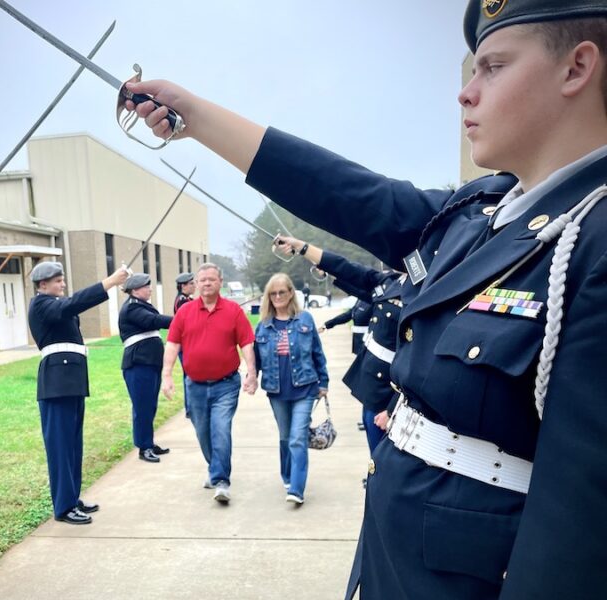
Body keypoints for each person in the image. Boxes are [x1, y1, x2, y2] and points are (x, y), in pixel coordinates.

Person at [127, 3, 607, 596]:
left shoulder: (593, 236)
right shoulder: (482, 209)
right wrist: (194, 117)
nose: (466, 93)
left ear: (576, 67)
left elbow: (583, 514)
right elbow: (346, 191)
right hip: (396, 552)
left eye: (493, 67)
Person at [277, 235, 403, 454]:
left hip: (391, 393)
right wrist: (302, 247)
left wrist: (394, 408)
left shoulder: (422, 289)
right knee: (374, 451)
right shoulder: (390, 282)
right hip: (372, 388)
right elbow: (347, 269)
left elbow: (418, 359)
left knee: (386, 458)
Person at [27, 261, 128, 525]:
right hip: (56, 385)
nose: (62, 284)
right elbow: (72, 304)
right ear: (42, 285)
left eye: (62, 279)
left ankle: (71, 497)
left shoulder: (55, 304)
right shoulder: (41, 305)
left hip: (70, 382)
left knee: (73, 446)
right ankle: (63, 507)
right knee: (60, 448)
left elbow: (69, 306)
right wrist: (109, 282)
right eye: (57, 280)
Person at [162, 263, 257, 504]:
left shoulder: (234, 311)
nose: (206, 283)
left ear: (220, 282)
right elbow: (172, 344)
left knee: (221, 430)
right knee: (203, 432)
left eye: (211, 279)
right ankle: (214, 467)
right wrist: (167, 376)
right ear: (195, 283)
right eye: (202, 279)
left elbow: (246, 343)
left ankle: (222, 481)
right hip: (194, 385)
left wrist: (252, 373)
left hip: (226, 384)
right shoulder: (184, 312)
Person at [253, 273, 329, 505]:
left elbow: (317, 353)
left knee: (297, 438)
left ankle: (297, 488)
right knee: (286, 437)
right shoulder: (263, 326)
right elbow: (256, 359)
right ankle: (287, 476)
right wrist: (251, 378)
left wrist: (324, 382)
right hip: (277, 391)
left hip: (305, 388)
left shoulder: (305, 319)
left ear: (290, 293)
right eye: (273, 293)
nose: (277, 297)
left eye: (282, 292)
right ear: (268, 296)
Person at [118, 273, 174, 463]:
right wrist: (182, 320)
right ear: (135, 290)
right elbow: (154, 321)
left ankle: (148, 442)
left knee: (150, 405)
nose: (150, 288)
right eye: (146, 286)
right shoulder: (132, 308)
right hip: (138, 364)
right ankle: (144, 447)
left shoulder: (142, 305)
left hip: (149, 363)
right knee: (142, 407)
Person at [173, 271, 195, 418]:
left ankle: (191, 407)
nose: (194, 286)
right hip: (186, 343)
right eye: (191, 283)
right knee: (189, 375)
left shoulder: (187, 299)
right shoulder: (182, 301)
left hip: (187, 343)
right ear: (183, 286)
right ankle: (190, 408)